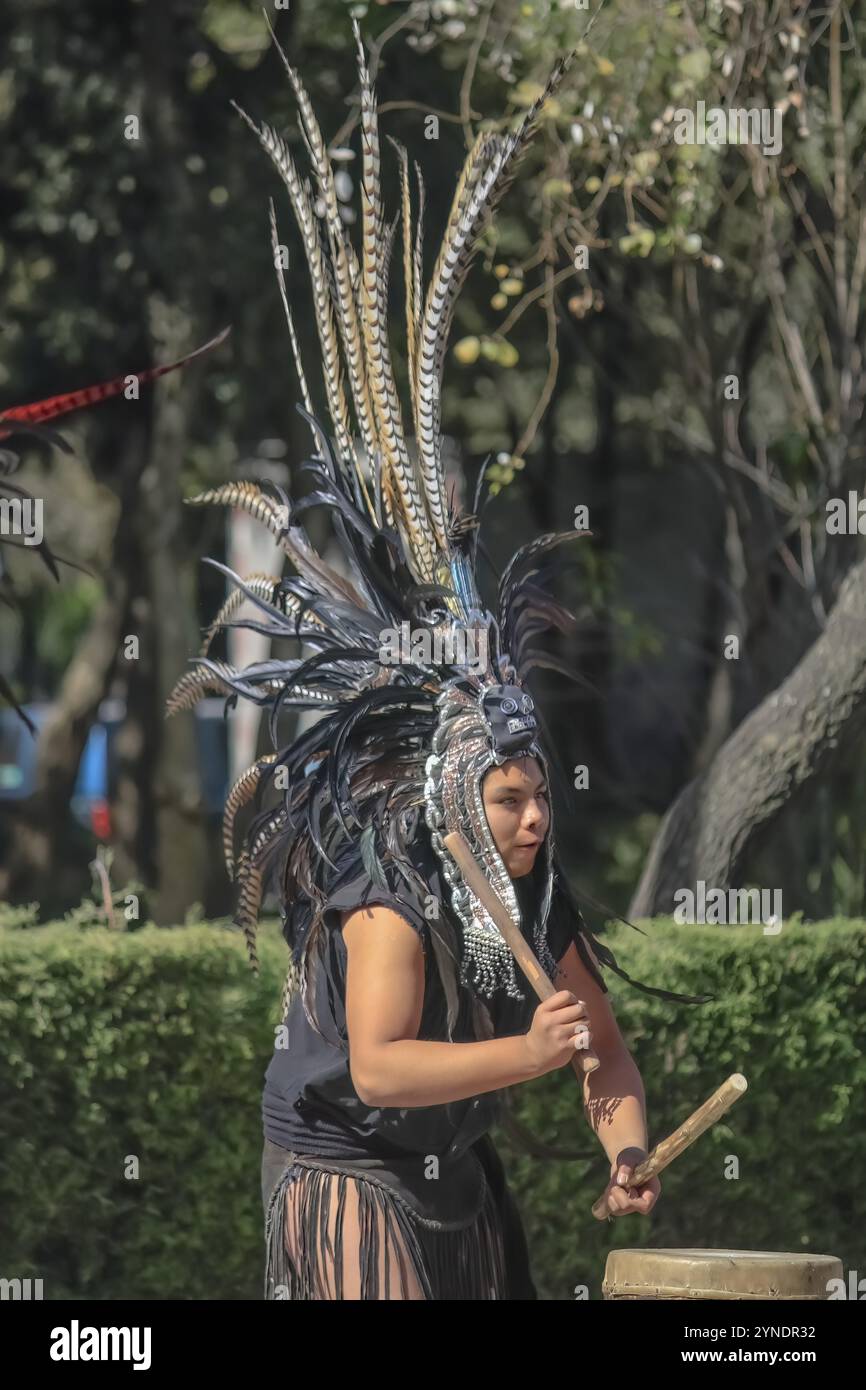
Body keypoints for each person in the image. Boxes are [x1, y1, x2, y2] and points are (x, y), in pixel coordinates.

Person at [171, 17, 710, 1300]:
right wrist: (532, 1057)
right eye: (510, 797)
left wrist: (626, 1145)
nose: (532, 818)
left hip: (448, 1171)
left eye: (535, 796)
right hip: (343, 1162)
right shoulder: (387, 883)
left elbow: (604, 1059)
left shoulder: (532, 898)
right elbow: (378, 1065)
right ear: (459, 792)